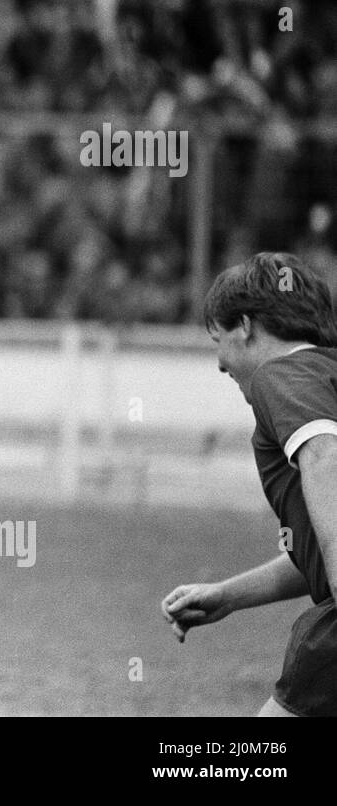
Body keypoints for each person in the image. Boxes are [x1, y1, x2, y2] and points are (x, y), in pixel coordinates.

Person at [162, 252, 337, 717]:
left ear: (245, 326)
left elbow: (322, 455)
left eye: (218, 339)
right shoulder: (326, 373)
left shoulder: (279, 375)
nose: (221, 364)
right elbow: (320, 545)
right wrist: (228, 595)